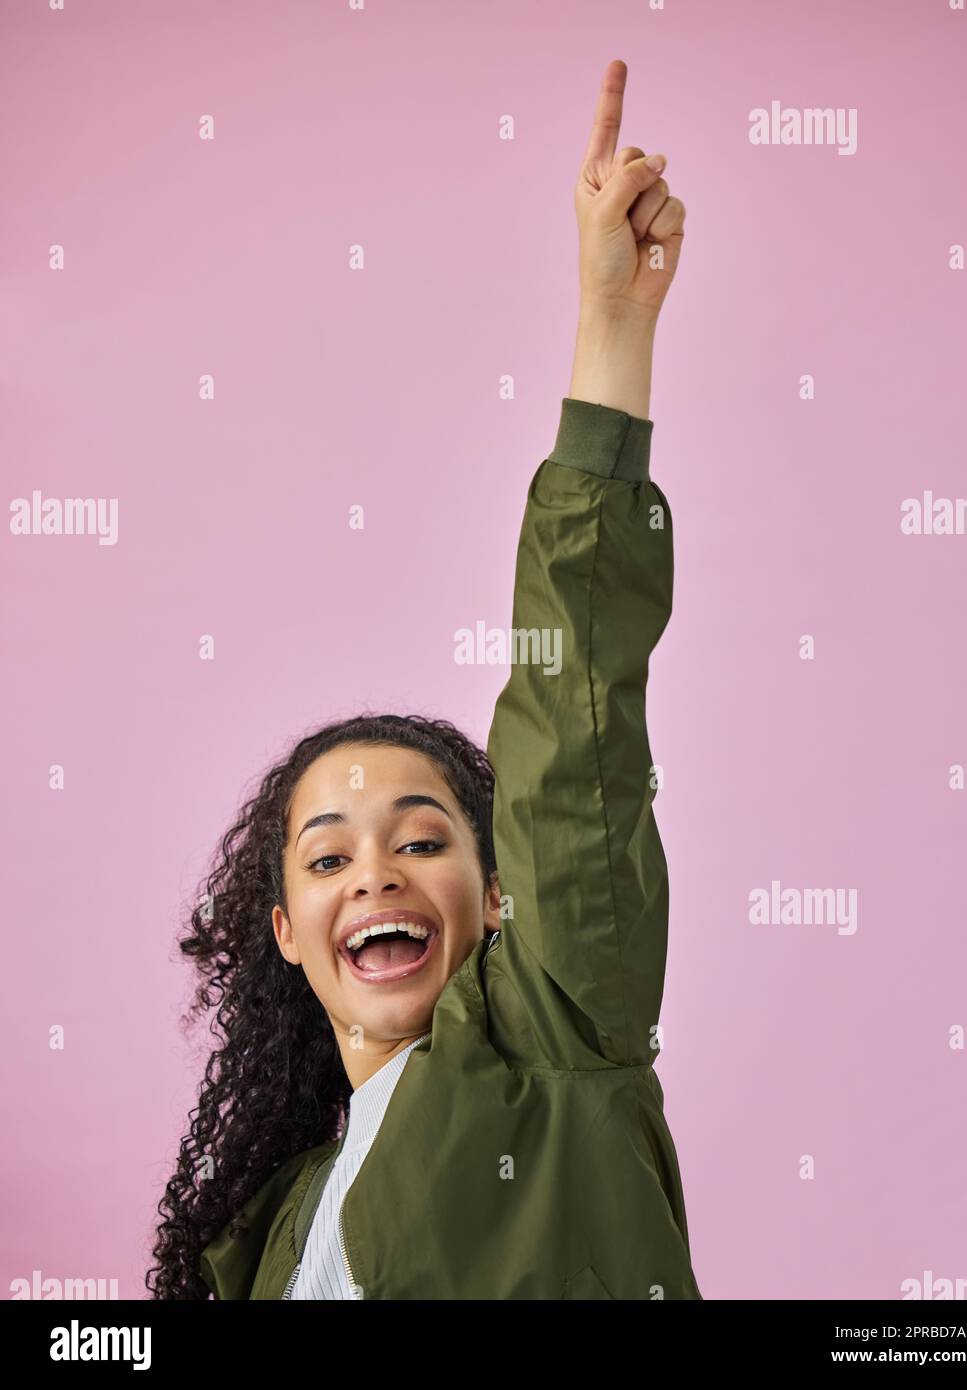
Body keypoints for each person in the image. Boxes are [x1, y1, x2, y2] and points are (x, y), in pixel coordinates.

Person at [147, 57, 698, 1300]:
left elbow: (571, 728)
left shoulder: (558, 1038)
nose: (375, 875)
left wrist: (612, 322)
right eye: (327, 857)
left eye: (420, 839)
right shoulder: (275, 1224)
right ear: (286, 933)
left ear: (499, 892)